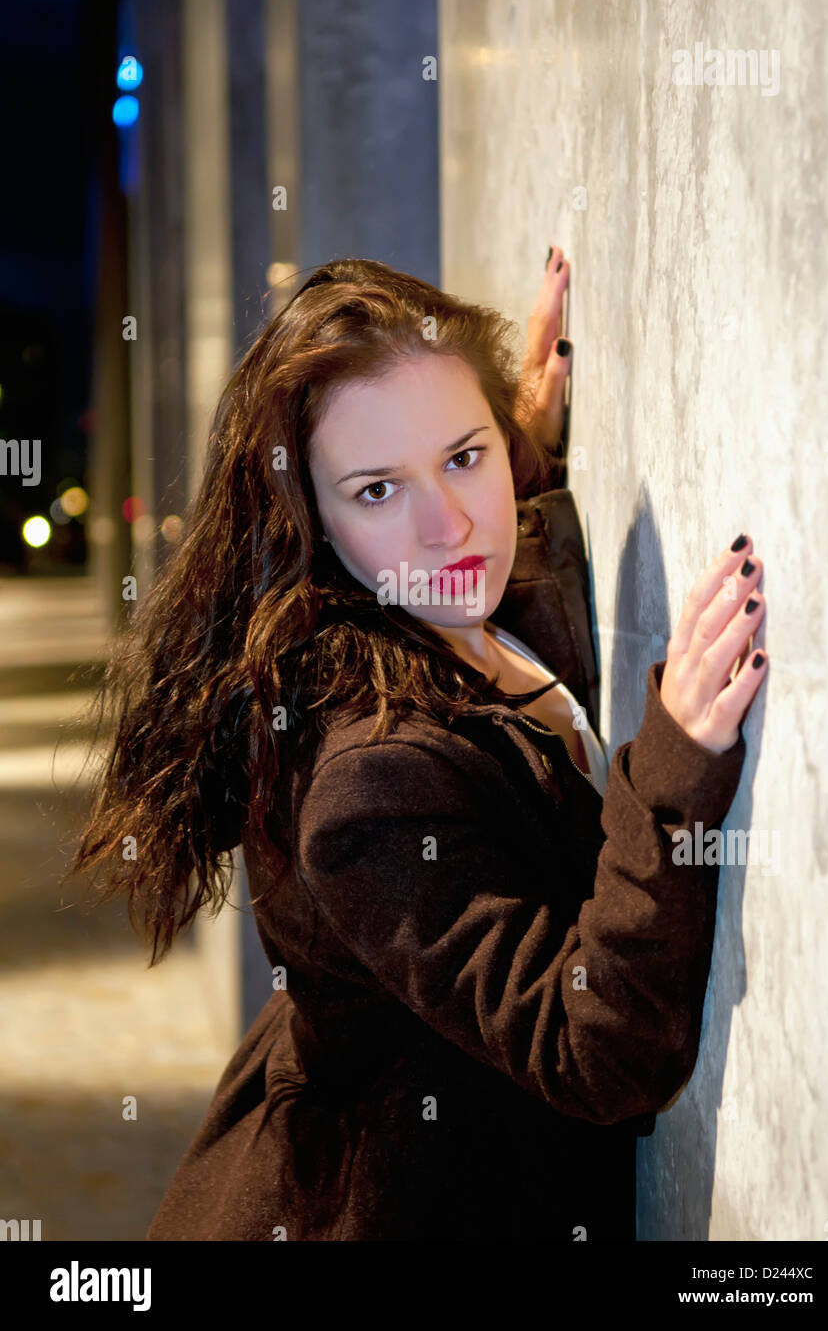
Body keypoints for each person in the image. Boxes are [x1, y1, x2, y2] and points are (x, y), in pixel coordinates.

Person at [65, 252, 768, 1241]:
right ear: (313, 521)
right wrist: (674, 766)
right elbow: (592, 1053)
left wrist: (511, 449)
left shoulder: (441, 612)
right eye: (376, 490)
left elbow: (486, 583)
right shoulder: (368, 782)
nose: (447, 528)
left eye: (461, 456)